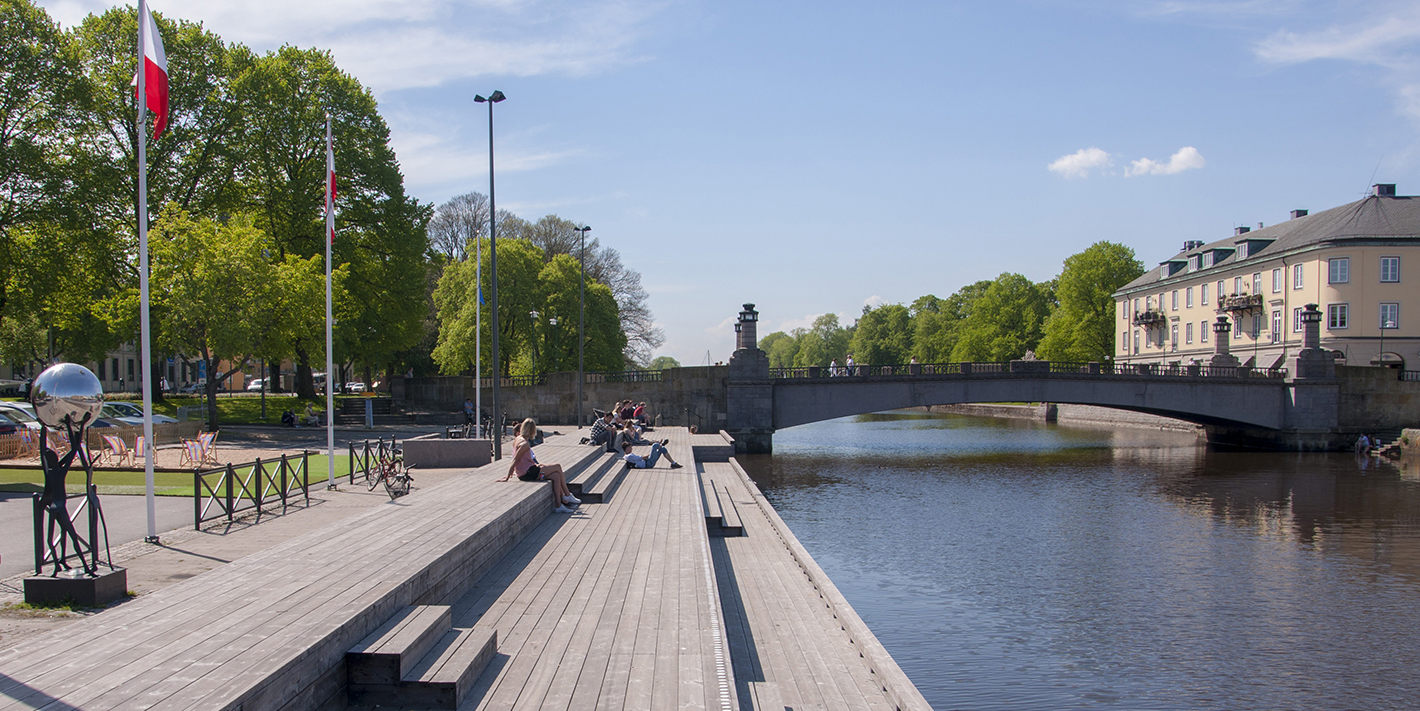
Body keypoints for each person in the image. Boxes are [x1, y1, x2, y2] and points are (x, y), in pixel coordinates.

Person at [501, 419, 579, 512]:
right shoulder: (524, 444)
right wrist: (508, 476)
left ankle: (558, 506)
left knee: (556, 476)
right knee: (557, 466)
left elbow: (522, 460)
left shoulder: (518, 438)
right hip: (528, 473)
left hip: (528, 470)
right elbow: (515, 460)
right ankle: (567, 495)